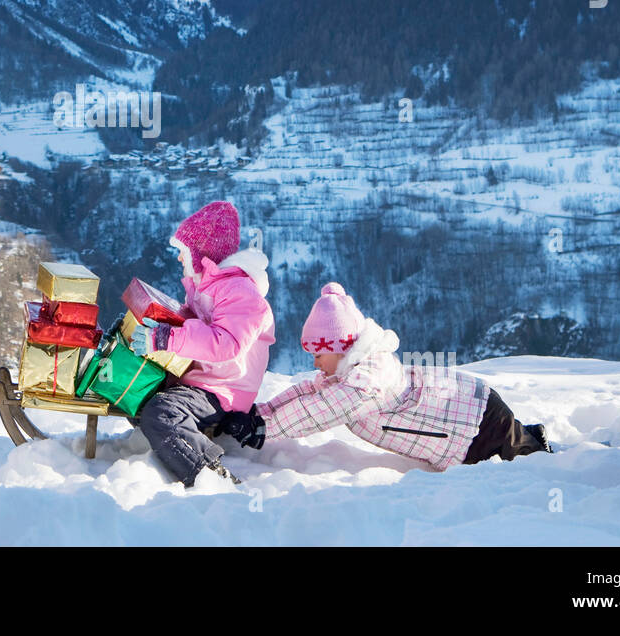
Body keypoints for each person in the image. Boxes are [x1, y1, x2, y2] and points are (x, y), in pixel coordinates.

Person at [219, 283, 552, 469]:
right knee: (523, 448)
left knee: (531, 468)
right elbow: (310, 392)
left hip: (475, 426)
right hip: (471, 415)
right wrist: (259, 414)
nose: (316, 363)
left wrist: (263, 430)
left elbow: (326, 409)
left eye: (318, 354)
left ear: (339, 348)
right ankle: (532, 438)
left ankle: (550, 450)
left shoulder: (368, 380)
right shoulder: (350, 370)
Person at [129, 200, 275, 487]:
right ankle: (177, 441)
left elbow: (226, 344)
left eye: (183, 252)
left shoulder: (241, 292)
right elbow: (197, 325)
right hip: (205, 378)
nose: (179, 259)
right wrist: (167, 319)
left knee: (162, 414)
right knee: (137, 391)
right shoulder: (205, 287)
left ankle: (208, 473)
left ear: (200, 254)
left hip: (225, 388)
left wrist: (167, 337)